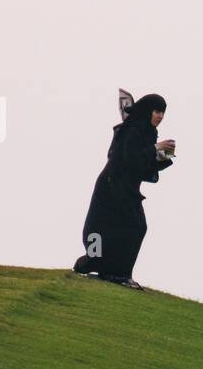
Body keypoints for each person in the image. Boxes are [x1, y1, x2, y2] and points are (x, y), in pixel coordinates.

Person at [72, 92, 175, 289]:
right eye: (157, 111)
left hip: (126, 188)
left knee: (134, 228)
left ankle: (118, 272)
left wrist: (163, 155)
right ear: (147, 111)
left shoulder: (148, 132)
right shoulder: (132, 129)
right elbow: (128, 159)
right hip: (112, 186)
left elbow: (141, 167)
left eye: (163, 112)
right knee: (127, 227)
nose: (160, 116)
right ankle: (112, 272)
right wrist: (154, 150)